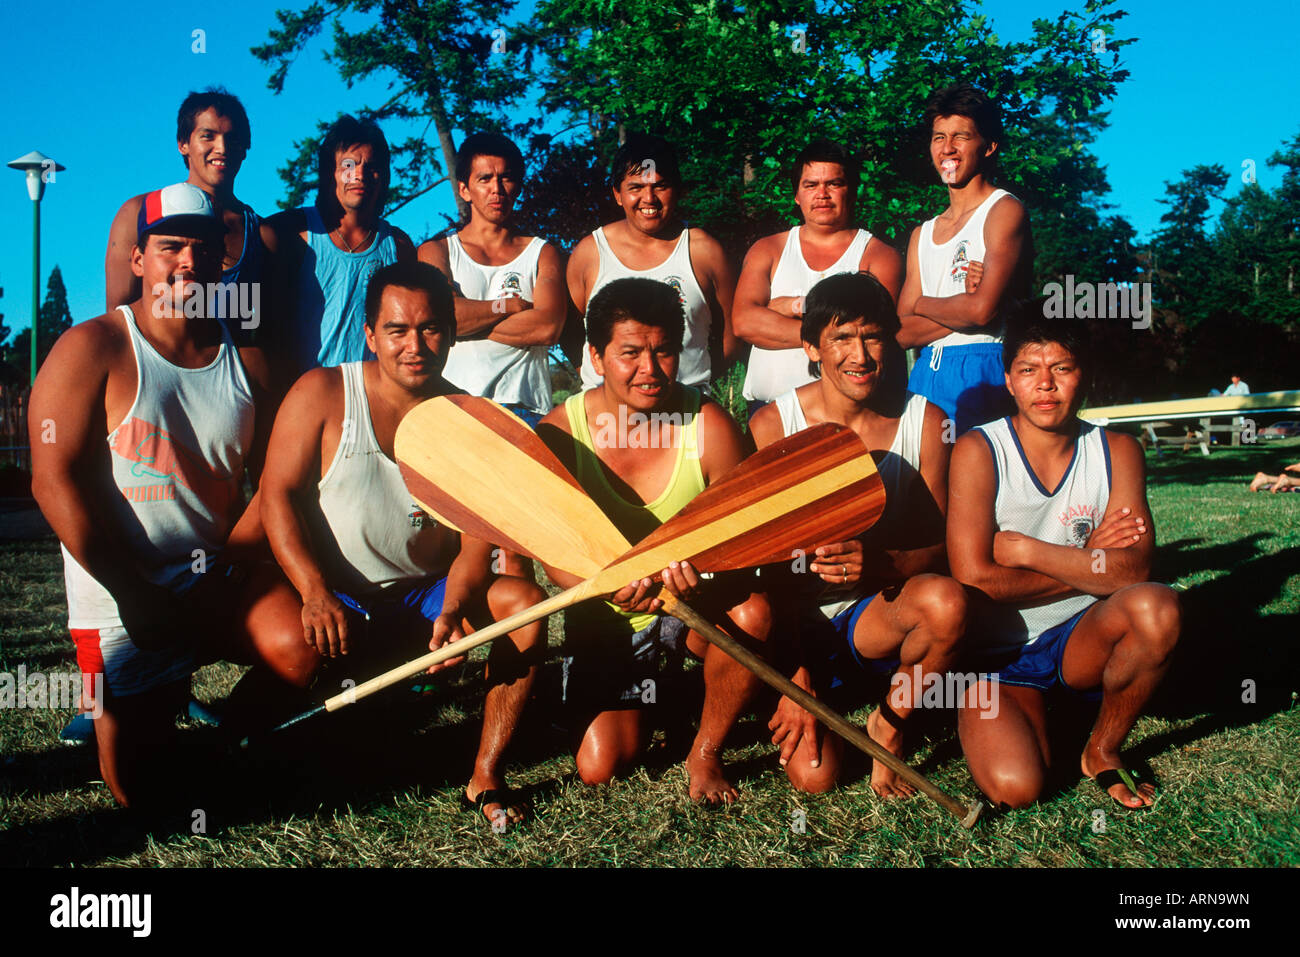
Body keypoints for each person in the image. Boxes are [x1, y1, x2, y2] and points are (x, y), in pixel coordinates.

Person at [30, 183, 306, 809]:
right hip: (122, 590)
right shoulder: (92, 347)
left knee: (302, 649)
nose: (187, 261)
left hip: (217, 571)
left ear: (221, 263)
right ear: (138, 260)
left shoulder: (251, 360)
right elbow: (50, 479)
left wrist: (227, 565)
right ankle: (147, 716)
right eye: (170, 246)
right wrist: (132, 591)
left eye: (202, 249)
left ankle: (232, 741)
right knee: (142, 796)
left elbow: (273, 483)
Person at [258, 261, 546, 828]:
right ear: (370, 334)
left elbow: (475, 537)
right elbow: (277, 498)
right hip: (342, 597)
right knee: (307, 721)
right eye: (397, 330)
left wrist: (457, 606)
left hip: (427, 595)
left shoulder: (467, 416)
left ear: (452, 331)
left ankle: (485, 774)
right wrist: (314, 590)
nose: (415, 345)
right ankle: (269, 727)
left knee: (525, 606)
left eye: (432, 328)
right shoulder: (322, 392)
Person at [536, 277, 772, 804]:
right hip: (607, 615)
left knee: (751, 615)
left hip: (688, 607)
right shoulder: (560, 431)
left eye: (664, 350)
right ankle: (667, 695)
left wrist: (703, 580)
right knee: (603, 766)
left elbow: (740, 545)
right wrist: (606, 587)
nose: (650, 369)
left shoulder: (708, 425)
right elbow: (553, 556)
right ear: (595, 356)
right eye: (630, 353)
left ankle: (705, 751)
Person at [947, 306, 1181, 810]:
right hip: (996, 658)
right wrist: (1092, 564)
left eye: (1063, 368)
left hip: (1081, 638)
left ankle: (1102, 747)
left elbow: (1136, 572)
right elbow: (975, 582)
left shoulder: (1116, 449)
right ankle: (1024, 711)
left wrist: (1032, 552)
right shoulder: (979, 449)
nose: (1046, 385)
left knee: (1155, 607)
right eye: (1030, 370)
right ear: (1009, 379)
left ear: (1083, 376)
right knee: (1018, 788)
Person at [750, 272, 964, 797]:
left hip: (875, 613)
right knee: (815, 779)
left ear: (892, 341)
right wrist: (793, 676)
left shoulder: (925, 421)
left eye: (873, 337)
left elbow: (947, 548)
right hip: (795, 622)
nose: (861, 356)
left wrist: (881, 565)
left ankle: (888, 726)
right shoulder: (774, 425)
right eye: (841, 339)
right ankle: (814, 693)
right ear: (810, 348)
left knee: (947, 603)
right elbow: (759, 569)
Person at [898, 83, 1034, 435]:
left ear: (988, 147)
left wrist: (923, 303)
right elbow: (900, 330)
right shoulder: (922, 234)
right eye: (938, 137)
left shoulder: (1003, 210)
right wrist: (970, 306)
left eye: (961, 136)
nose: (947, 148)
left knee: (979, 482)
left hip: (982, 364)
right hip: (926, 370)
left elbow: (982, 312)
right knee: (924, 485)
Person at [734, 140, 903, 420]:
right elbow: (744, 322)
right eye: (811, 185)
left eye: (834, 184)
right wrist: (814, 318)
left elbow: (875, 332)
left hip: (846, 416)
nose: (822, 194)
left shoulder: (878, 255)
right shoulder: (768, 250)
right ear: (796, 195)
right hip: (767, 411)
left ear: (852, 191)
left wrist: (781, 310)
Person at [566, 134, 739, 393]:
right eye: (636, 187)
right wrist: (602, 382)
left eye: (660, 186)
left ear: (678, 190)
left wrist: (691, 383)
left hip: (685, 412)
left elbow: (731, 334)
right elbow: (569, 331)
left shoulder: (704, 251)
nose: (649, 198)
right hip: (608, 416)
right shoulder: (590, 252)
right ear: (618, 194)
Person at [417, 133, 566, 430]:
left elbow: (547, 327)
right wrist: (510, 305)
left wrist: (464, 319)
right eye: (485, 179)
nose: (496, 189)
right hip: (454, 409)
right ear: (465, 189)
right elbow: (442, 320)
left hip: (528, 410)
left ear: (517, 186)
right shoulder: (437, 252)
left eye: (506, 178)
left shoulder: (541, 252)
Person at [104, 88, 274, 343]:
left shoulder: (261, 233)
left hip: (229, 375)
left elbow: (266, 328)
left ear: (245, 148)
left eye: (233, 138)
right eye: (208, 136)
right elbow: (116, 320)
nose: (222, 148)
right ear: (183, 144)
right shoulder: (139, 213)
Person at [267, 115, 416, 376]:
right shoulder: (293, 232)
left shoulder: (398, 246)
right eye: (348, 165)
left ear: (383, 176)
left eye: (371, 166)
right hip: (301, 395)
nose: (359, 174)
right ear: (329, 173)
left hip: (370, 395)